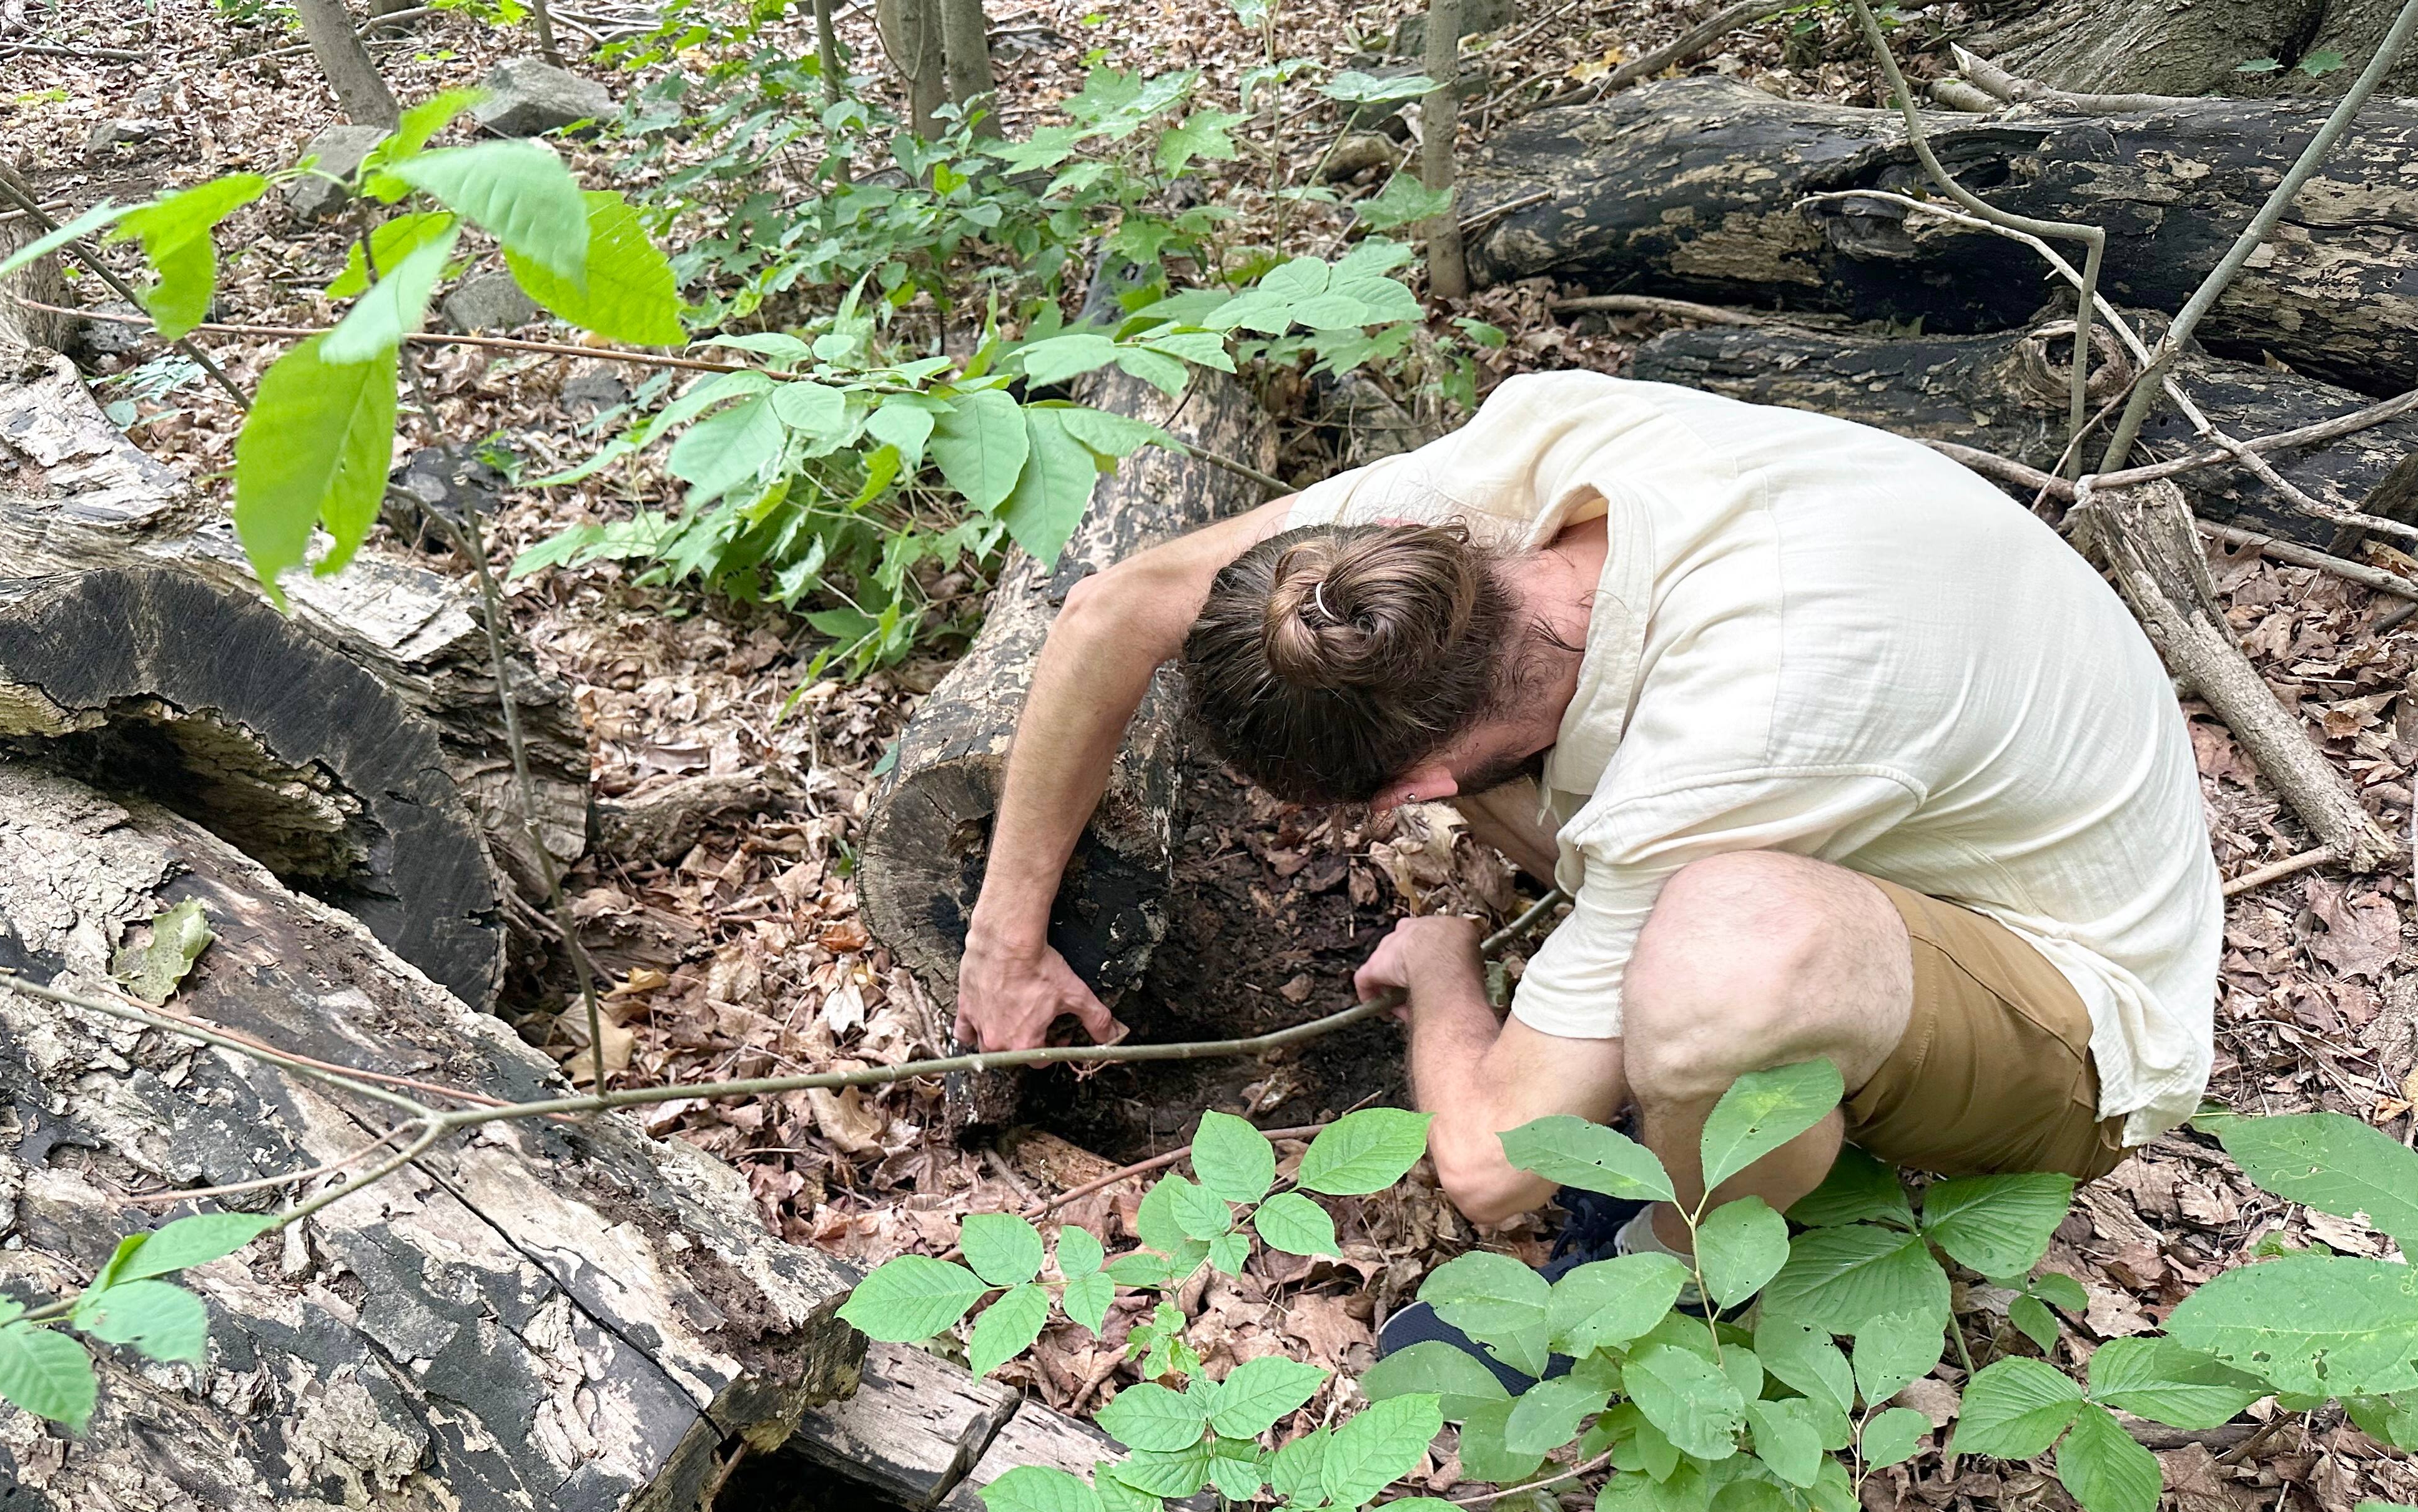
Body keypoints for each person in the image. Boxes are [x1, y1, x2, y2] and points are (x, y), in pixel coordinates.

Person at [952, 369, 2222, 1257]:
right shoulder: (1506, 474)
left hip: (2081, 1008)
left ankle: (1670, 1285)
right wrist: (1004, 944)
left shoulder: (1740, 720)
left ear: (1415, 794)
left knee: (1724, 953)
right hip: (1938, 775)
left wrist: (1444, 951)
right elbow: (1118, 609)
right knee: (1677, 917)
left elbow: (1494, 1168)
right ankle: (1669, 1054)